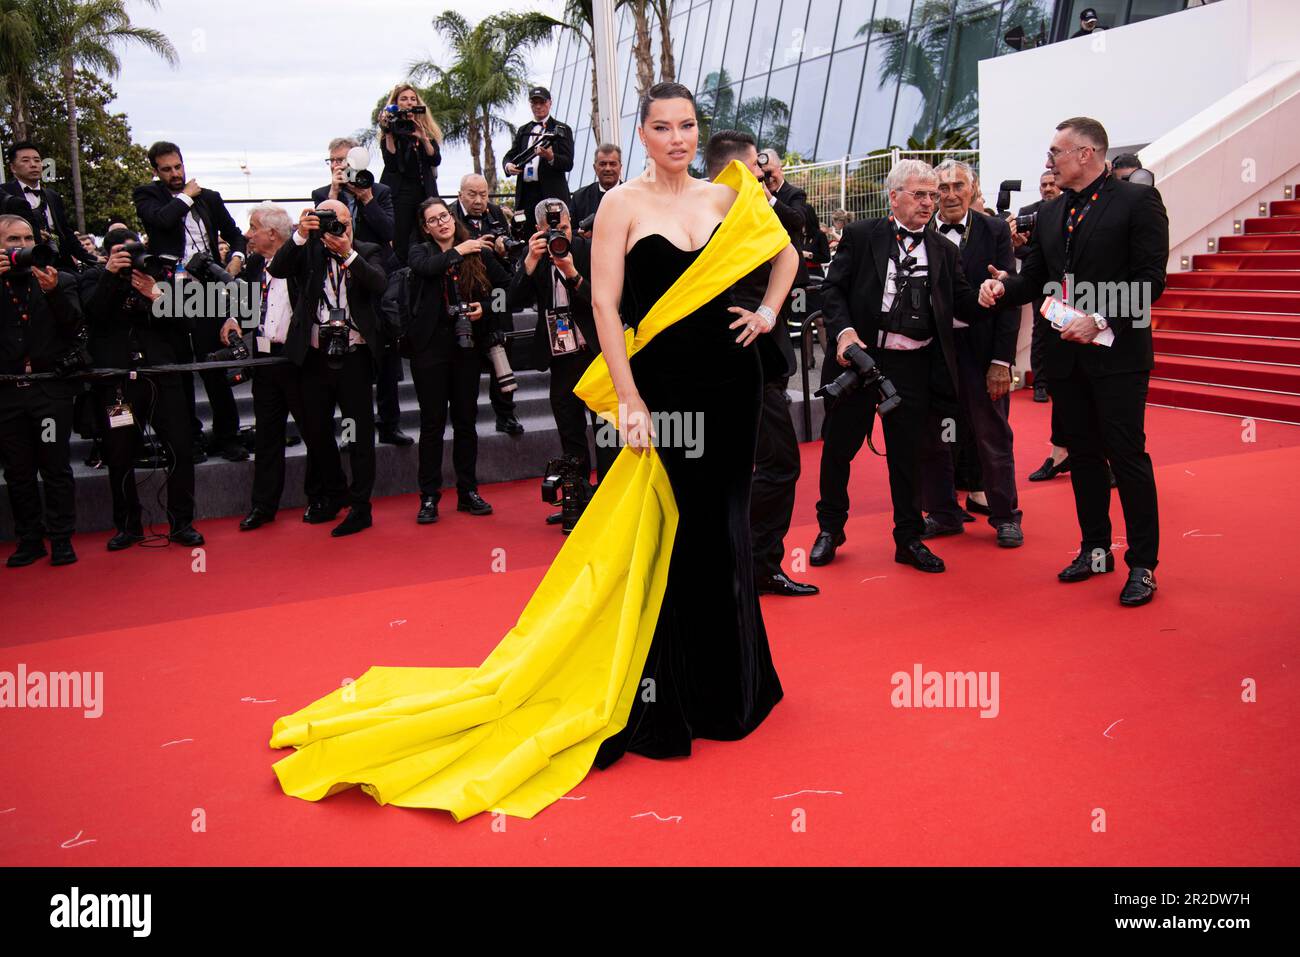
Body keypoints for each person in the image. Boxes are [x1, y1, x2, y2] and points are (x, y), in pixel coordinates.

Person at [268, 81, 798, 821]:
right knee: (668, 537)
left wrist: (769, 312)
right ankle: (669, 689)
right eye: (662, 126)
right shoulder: (619, 205)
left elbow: (786, 251)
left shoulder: (724, 198)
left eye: (687, 125)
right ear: (640, 134)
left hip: (730, 384)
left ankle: (735, 684)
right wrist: (631, 399)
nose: (677, 138)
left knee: (724, 525)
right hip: (664, 388)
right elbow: (606, 306)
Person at [980, 116, 1168, 606]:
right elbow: (1038, 279)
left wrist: (1102, 318)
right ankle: (1096, 549)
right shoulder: (1049, 212)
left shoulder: (1137, 200)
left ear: (1087, 153)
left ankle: (1143, 565)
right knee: (1083, 456)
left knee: (1126, 457)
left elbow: (1152, 281)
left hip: (1118, 356)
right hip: (1066, 356)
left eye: (1056, 152)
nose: (1049, 161)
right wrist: (1004, 286)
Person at [809, 159, 990, 572]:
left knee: (907, 456)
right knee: (838, 449)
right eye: (920, 194)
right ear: (894, 197)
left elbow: (961, 301)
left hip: (913, 365)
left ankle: (907, 538)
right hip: (857, 357)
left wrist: (987, 295)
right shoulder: (861, 235)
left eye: (934, 195)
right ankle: (830, 528)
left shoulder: (944, 250)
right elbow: (832, 290)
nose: (931, 202)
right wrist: (845, 334)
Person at [704, 128, 818, 598]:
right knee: (764, 464)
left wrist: (764, 194)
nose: (763, 174)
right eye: (756, 168)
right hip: (723, 360)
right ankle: (741, 562)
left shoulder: (763, 212)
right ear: (735, 169)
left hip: (762, 361)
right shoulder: (696, 214)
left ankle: (754, 563)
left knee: (774, 463)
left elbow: (794, 234)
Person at [269, 199, 390, 537]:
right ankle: (333, 495)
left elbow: (379, 283)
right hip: (314, 357)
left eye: (345, 220)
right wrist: (298, 235)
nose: (339, 227)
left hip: (354, 356)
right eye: (330, 220)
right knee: (318, 431)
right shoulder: (307, 250)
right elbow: (277, 269)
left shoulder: (367, 249)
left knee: (358, 435)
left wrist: (349, 254)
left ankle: (361, 507)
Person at [919, 159, 1023, 548]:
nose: (948, 194)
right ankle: (943, 513)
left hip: (981, 351)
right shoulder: (921, 230)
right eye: (941, 188)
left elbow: (1009, 299)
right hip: (935, 351)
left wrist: (1001, 361)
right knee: (936, 436)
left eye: (956, 186)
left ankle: (1006, 515)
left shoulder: (995, 230)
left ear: (973, 188)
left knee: (992, 434)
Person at [83, 226, 201, 550]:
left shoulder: (159, 276)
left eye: (133, 249)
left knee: (180, 450)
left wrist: (157, 295)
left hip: (163, 379)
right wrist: (110, 275)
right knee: (119, 455)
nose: (131, 257)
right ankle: (128, 526)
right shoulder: (93, 278)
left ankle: (182, 524)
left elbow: (189, 321)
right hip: (117, 385)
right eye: (122, 252)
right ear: (107, 253)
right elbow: (92, 314)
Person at [133, 141, 248, 463]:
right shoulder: (147, 196)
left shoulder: (208, 198)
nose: (174, 173)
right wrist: (185, 196)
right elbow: (162, 222)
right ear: (155, 171)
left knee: (214, 364)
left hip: (209, 288)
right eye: (167, 169)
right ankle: (189, 438)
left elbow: (236, 234)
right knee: (181, 368)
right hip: (170, 290)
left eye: (178, 167)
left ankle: (229, 435)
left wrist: (235, 259)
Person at [508, 197, 617, 529]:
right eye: (553, 229)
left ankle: (611, 503)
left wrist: (572, 274)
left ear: (573, 223)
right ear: (540, 230)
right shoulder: (535, 258)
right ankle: (578, 499)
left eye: (565, 227)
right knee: (569, 429)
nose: (560, 235)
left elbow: (607, 302)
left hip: (596, 354)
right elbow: (512, 301)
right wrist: (529, 262)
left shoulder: (588, 250)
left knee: (607, 432)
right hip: (561, 357)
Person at [403, 198, 510, 524]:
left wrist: (485, 309)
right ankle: (429, 497)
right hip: (430, 350)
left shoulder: (479, 251)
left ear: (452, 217)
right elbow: (426, 269)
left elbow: (506, 288)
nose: (441, 223)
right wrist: (458, 252)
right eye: (433, 220)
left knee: (466, 422)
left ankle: (468, 491)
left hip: (467, 348)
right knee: (432, 425)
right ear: (425, 227)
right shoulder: (421, 251)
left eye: (444, 216)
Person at [218, 204, 318, 531]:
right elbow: (248, 302)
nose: (247, 234)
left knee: (313, 431)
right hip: (264, 358)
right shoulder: (254, 265)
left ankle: (320, 496)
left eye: (253, 227)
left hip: (296, 359)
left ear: (272, 234)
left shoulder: (299, 260)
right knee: (266, 437)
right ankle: (263, 505)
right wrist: (234, 319)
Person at [312, 136, 409, 449]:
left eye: (345, 160)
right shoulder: (320, 196)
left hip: (375, 277)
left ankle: (390, 424)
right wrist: (334, 194)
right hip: (338, 287)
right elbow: (318, 239)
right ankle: (351, 433)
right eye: (335, 161)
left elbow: (388, 233)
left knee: (386, 357)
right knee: (347, 372)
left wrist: (365, 198)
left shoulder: (378, 191)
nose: (341, 166)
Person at [0, 213, 83, 567]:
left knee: (55, 466)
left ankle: (62, 539)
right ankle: (29, 539)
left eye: (27, 239)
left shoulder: (57, 279)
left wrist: (52, 294)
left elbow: (76, 328)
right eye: (12, 241)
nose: (22, 247)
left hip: (48, 394)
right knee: (17, 471)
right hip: (7, 396)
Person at [451, 173, 523, 436]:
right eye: (473, 194)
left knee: (503, 351)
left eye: (483, 194)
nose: (479, 200)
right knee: (464, 360)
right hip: (463, 293)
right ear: (460, 194)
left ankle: (505, 413)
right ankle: (463, 414)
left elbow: (507, 254)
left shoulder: (495, 213)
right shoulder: (449, 215)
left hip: (496, 292)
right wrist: (473, 246)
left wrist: (501, 251)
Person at [2, 141, 98, 272]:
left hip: (62, 264)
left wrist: (91, 258)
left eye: (37, 160)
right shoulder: (5, 194)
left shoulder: (52, 196)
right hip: (26, 265)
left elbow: (66, 232)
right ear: (13, 168)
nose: (33, 164)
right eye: (25, 160)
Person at [377, 84, 443, 264]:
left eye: (413, 99)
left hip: (424, 191)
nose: (409, 102)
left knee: (426, 234)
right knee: (401, 239)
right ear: (396, 103)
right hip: (400, 193)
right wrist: (389, 132)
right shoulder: (392, 130)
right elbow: (391, 163)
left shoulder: (425, 129)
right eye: (404, 99)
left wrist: (422, 137)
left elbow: (435, 159)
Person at [503, 87, 574, 228]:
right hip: (527, 193)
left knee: (553, 232)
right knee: (526, 232)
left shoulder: (562, 129)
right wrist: (508, 166)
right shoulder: (524, 130)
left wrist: (550, 157)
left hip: (550, 192)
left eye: (542, 102)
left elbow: (568, 163)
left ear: (549, 103)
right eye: (534, 103)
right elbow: (510, 156)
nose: (538, 106)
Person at [569, 143, 623, 233]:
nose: (608, 168)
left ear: (620, 167)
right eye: (603, 164)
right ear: (595, 168)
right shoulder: (579, 197)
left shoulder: (633, 197)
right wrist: (580, 236)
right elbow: (569, 231)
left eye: (613, 164)